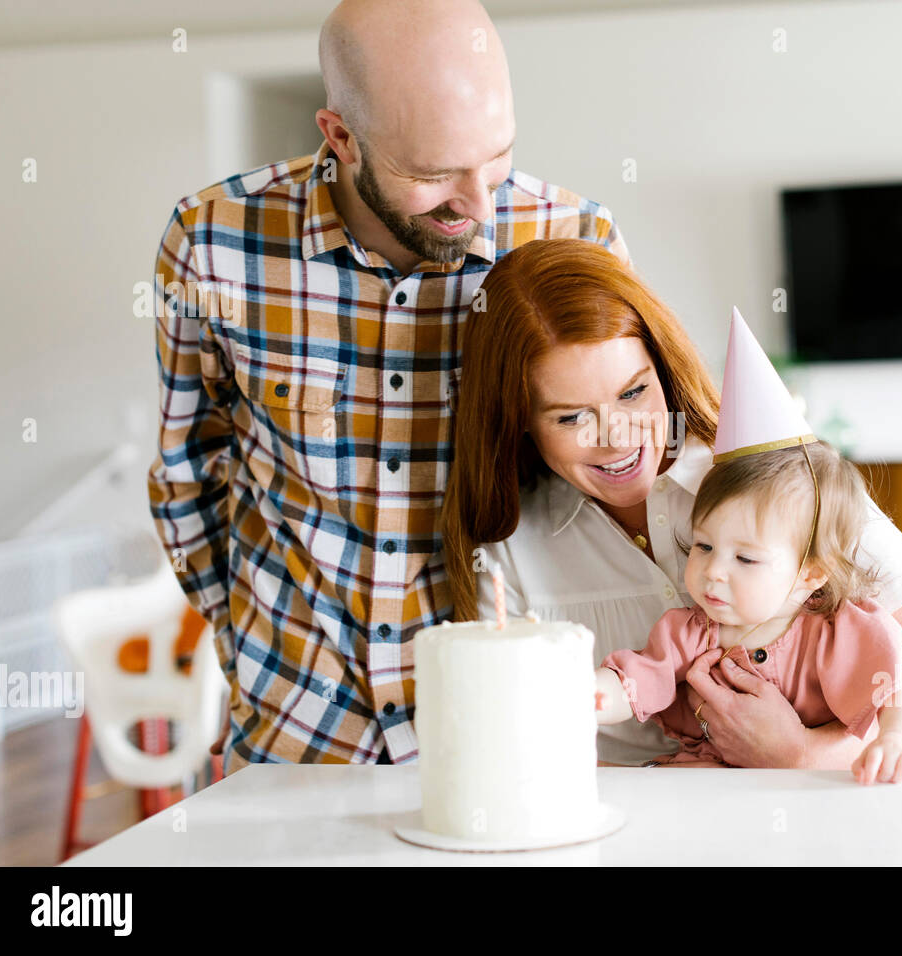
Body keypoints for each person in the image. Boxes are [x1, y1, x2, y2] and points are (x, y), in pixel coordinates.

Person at [146, 0, 629, 772]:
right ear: (340, 136)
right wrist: (243, 636)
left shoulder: (574, 238)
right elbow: (188, 470)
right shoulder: (213, 243)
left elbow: (628, 487)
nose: (479, 205)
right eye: (434, 175)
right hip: (294, 730)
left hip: (507, 732)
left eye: (497, 156)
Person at [443, 238, 902, 769]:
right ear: (519, 421)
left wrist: (801, 756)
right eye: (570, 416)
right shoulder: (511, 550)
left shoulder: (786, 493)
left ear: (661, 371)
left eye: (634, 392)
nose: (617, 437)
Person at [596, 442, 902, 784]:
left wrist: (897, 739)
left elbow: (898, 688)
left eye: (745, 558)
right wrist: (586, 697)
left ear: (812, 573)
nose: (714, 570)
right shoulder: (689, 632)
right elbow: (633, 681)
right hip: (710, 785)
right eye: (704, 546)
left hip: (807, 792)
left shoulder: (835, 633)